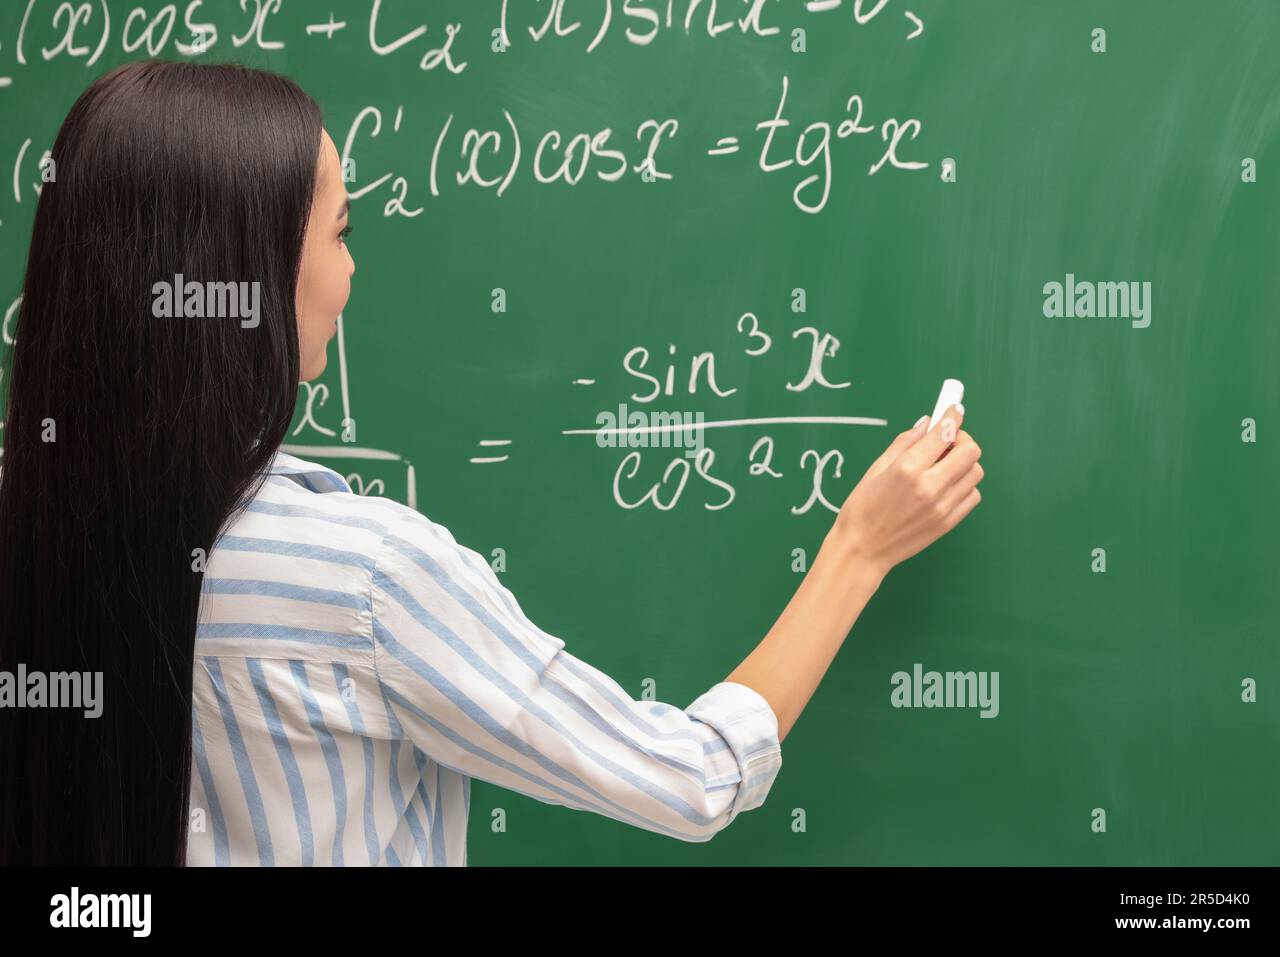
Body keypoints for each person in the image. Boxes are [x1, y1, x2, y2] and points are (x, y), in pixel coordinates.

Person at [0, 61, 983, 866]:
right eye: (340, 231)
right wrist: (859, 546)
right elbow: (689, 778)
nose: (352, 272)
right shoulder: (363, 581)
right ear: (253, 277)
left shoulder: (36, 531)